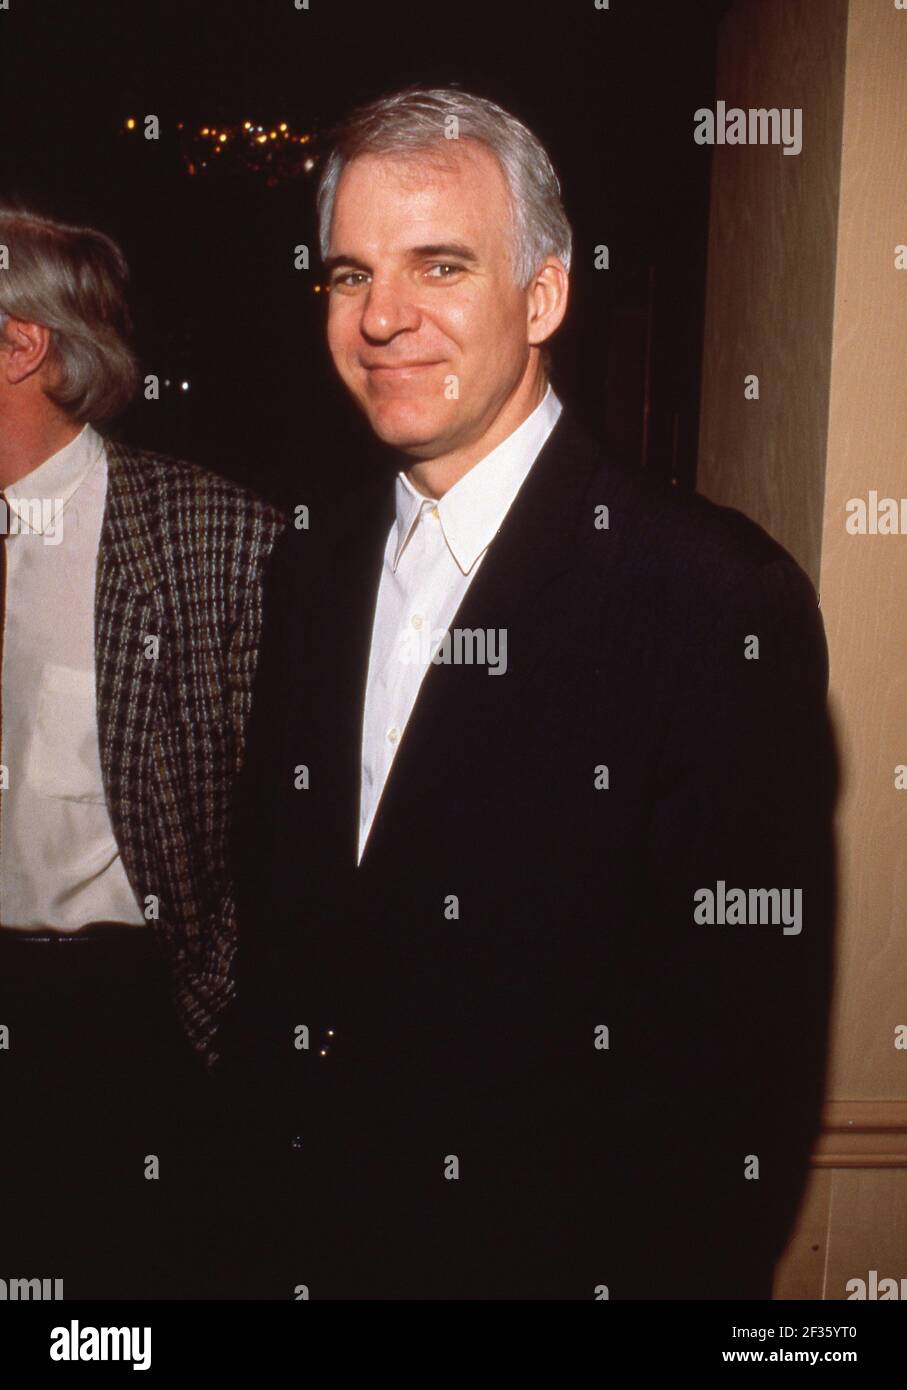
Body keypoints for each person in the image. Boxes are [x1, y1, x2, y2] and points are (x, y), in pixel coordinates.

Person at [227, 87, 837, 1299]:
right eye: (350, 274)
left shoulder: (711, 595)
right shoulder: (312, 557)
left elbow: (737, 1073)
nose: (382, 317)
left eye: (438, 265)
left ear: (543, 295)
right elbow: (292, 943)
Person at [0, 203, 284, 1298]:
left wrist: (225, 1019)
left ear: (24, 344)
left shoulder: (215, 539)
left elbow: (291, 831)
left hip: (120, 1025)